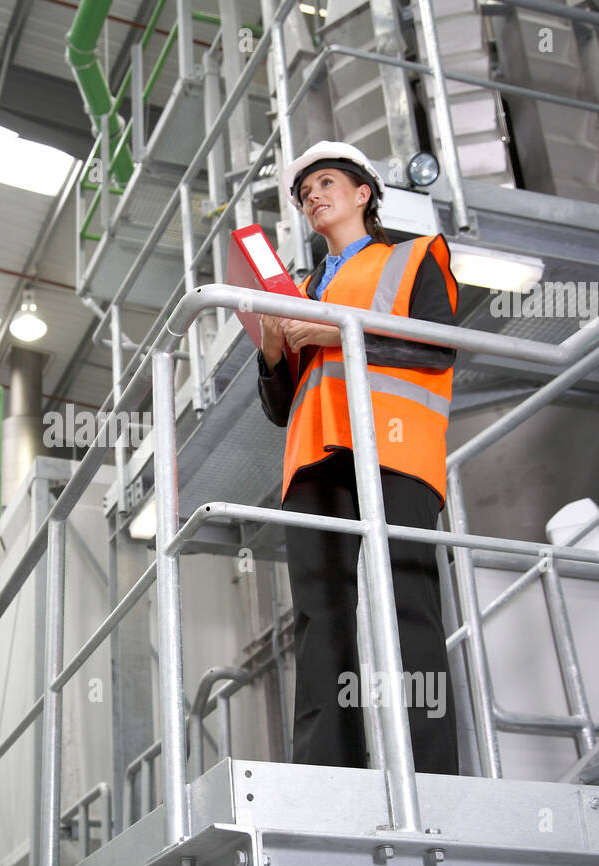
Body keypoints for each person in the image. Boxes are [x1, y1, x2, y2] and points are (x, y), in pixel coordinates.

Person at [255, 141, 461, 775]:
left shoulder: (415, 255)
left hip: (395, 447)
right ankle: (328, 777)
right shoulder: (300, 289)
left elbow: (439, 348)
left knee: (408, 601)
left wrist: (341, 329)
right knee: (321, 619)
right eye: (302, 192)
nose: (312, 196)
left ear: (364, 192)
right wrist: (269, 349)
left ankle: (432, 778)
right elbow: (281, 403)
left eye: (324, 182)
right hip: (314, 458)